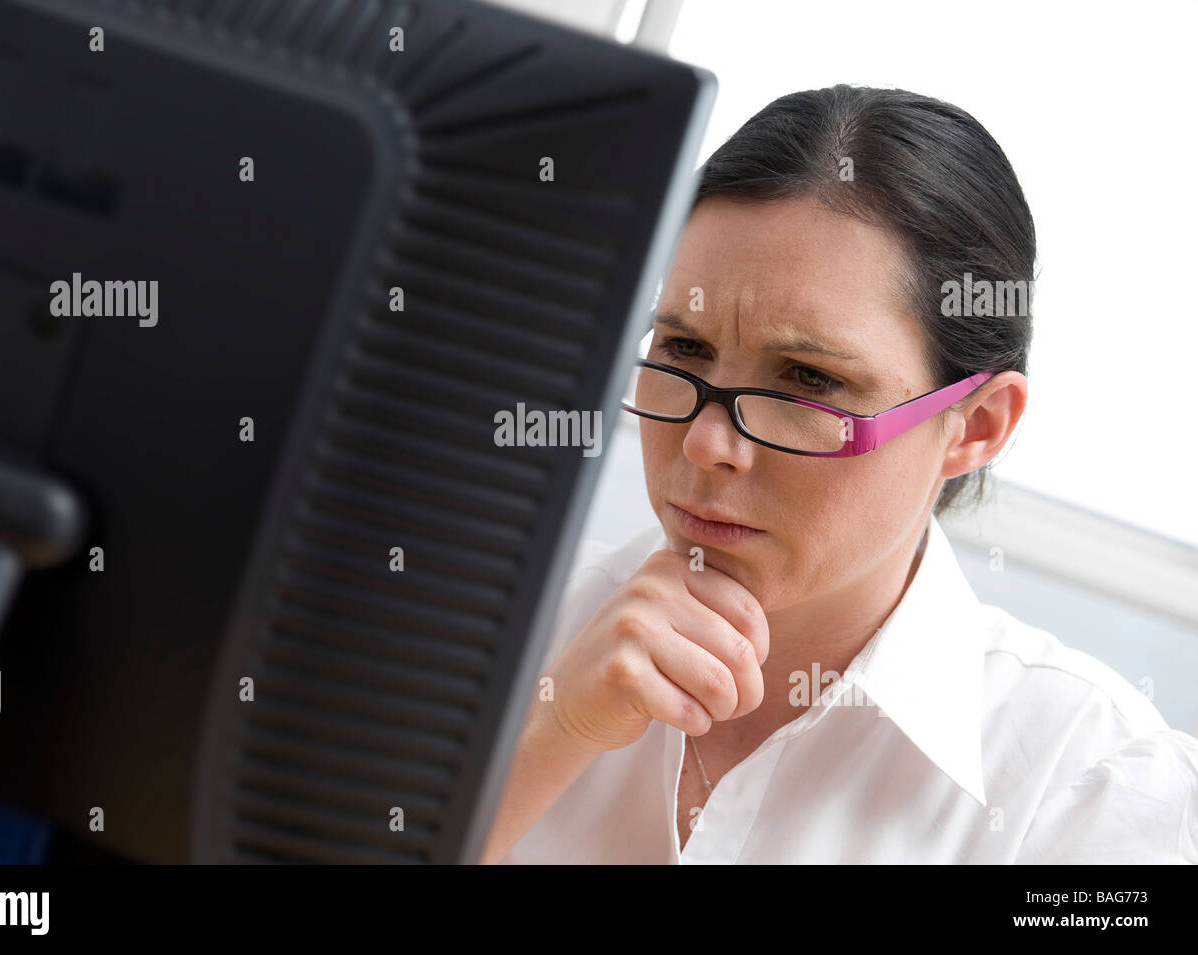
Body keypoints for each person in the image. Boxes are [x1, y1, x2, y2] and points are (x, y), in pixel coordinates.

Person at [482, 84, 1198, 864]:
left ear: (977, 426)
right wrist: (551, 741)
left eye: (808, 381)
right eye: (682, 351)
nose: (707, 443)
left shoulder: (1093, 789)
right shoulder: (491, 621)